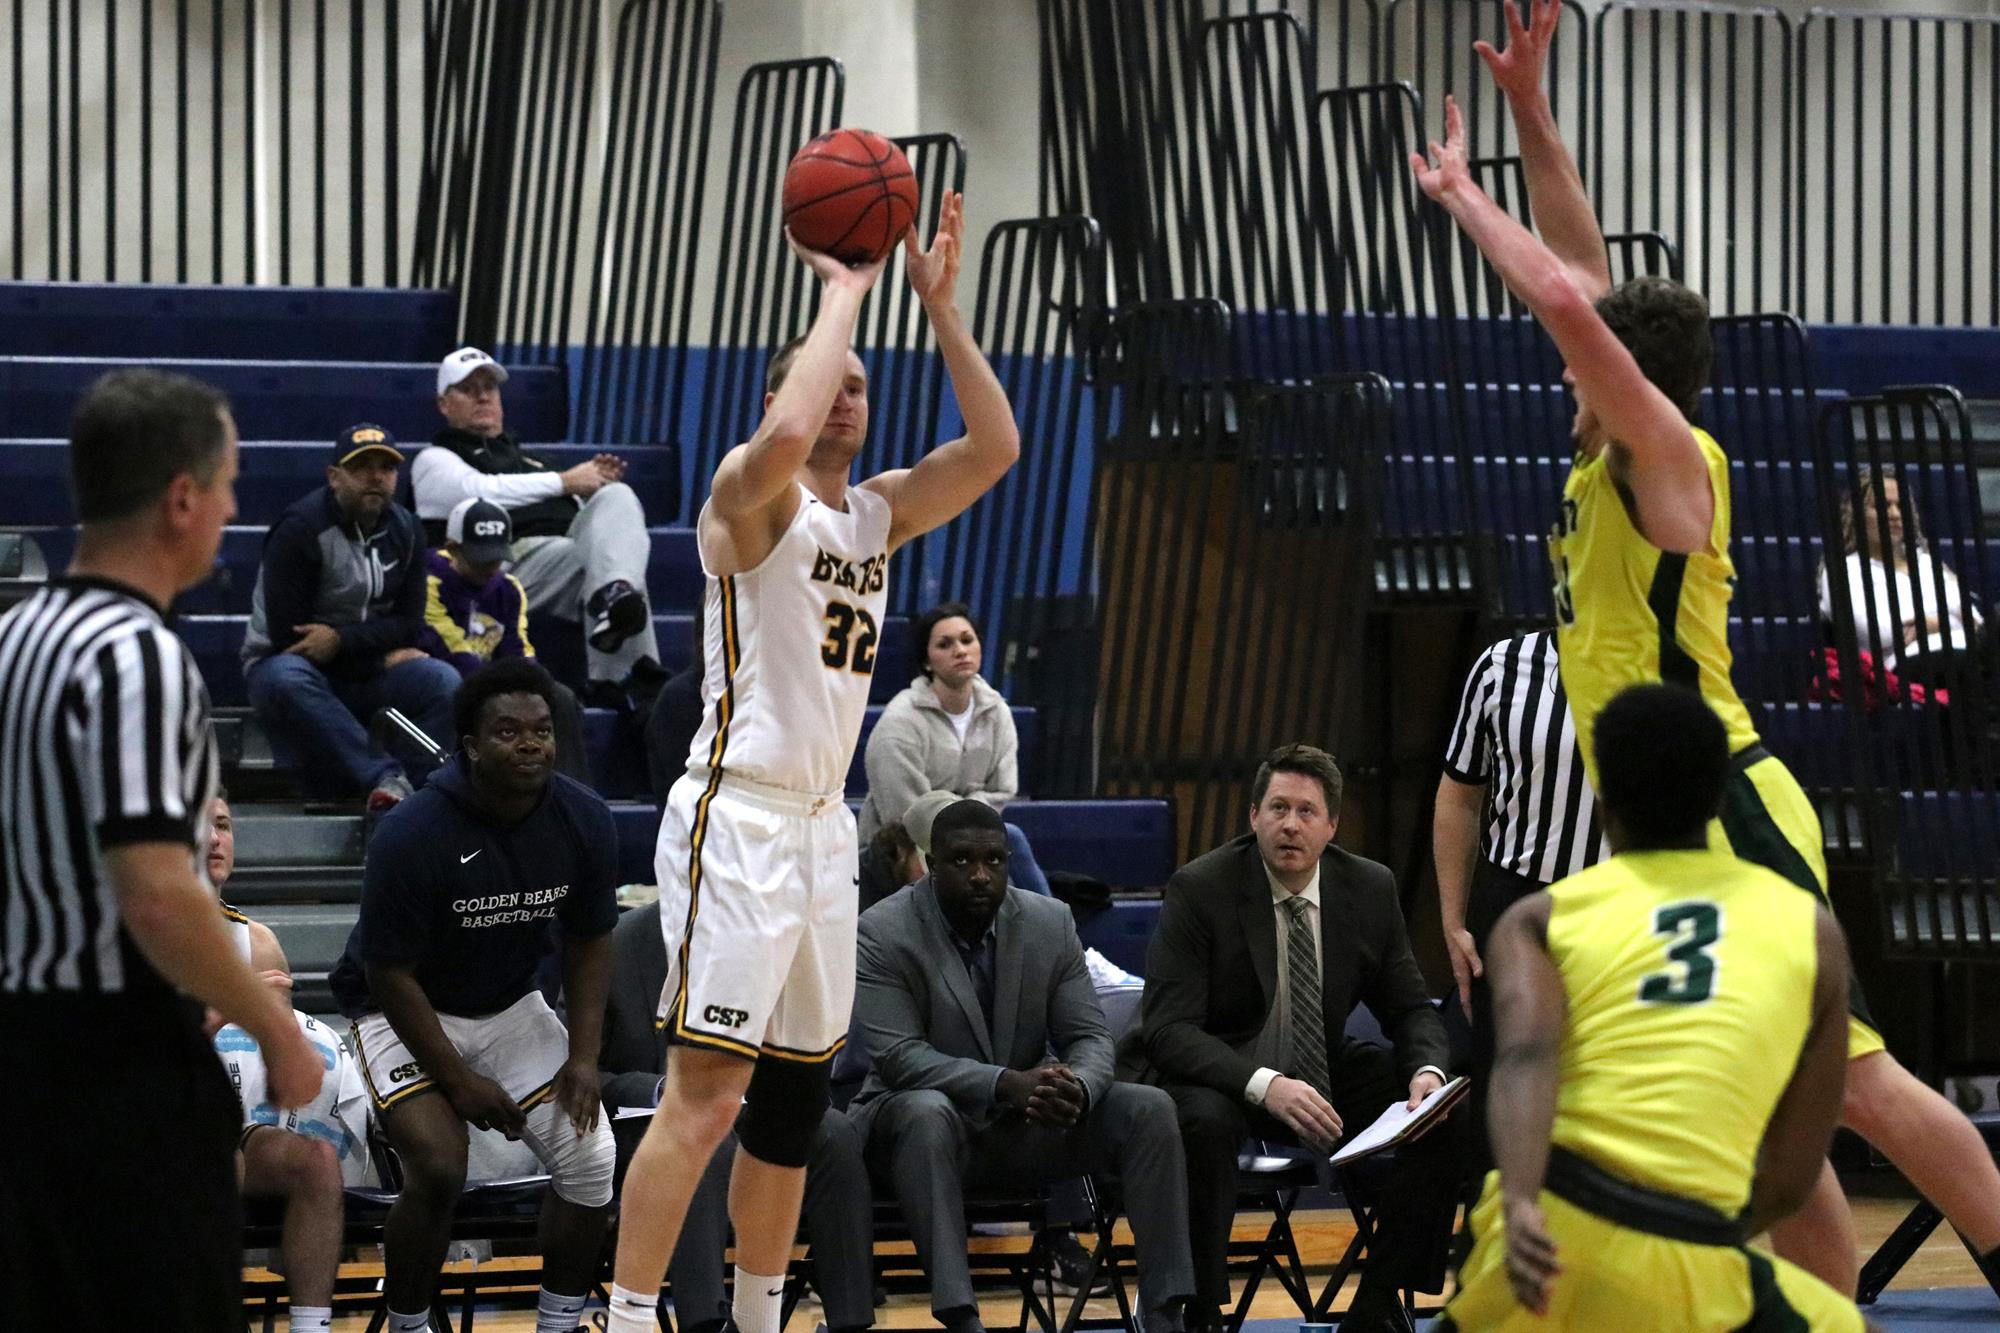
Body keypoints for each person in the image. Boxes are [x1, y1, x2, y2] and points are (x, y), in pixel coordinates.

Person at [1414, 0, 2000, 1294]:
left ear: (1622, 372)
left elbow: (1568, 292)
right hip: (1660, 812)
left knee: (1858, 1083)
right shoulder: (1608, 448)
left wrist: (1465, 200)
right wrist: (1528, 112)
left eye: (1592, 356)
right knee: (1788, 1093)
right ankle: (1818, 1313)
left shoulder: (1671, 464)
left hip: (1730, 793)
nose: (1570, 358)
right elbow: (1583, 265)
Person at [608, 191, 1021, 1333]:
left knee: (791, 1103)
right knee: (703, 1097)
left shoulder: (877, 516)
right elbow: (786, 438)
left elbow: (995, 447)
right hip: (733, 817)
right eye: (828, 375)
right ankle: (630, 1315)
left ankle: (752, 1314)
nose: (849, 391)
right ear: (778, 398)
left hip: (822, 832)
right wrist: (842, 286)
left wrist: (939, 312)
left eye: (858, 382)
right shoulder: (746, 499)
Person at [0, 368, 323, 1330]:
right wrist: (275, 1033)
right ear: (182, 497)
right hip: (119, 1067)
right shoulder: (136, 652)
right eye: (227, 483)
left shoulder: (16, 637)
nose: (231, 509)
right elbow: (154, 889)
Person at [1438, 684, 1869, 1331]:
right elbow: (1792, 1173)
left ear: (1604, 803)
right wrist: (1684, 1236)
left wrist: (1524, 1199)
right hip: (1695, 1248)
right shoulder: (1813, 931)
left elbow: (1526, 1055)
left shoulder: (1539, 918)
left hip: (1546, 1232)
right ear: (1719, 797)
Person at [1126, 743, 1462, 1333]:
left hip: (1319, 1066)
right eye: (1277, 808)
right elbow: (1167, 1028)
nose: (1290, 824)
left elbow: (1411, 1008)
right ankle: (1201, 1309)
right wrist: (1266, 1085)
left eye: (1307, 812)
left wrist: (1426, 1075)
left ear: (1332, 826)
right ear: (1252, 816)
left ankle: (1380, 1300)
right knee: (1201, 1121)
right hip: (1225, 1073)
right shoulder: (1200, 888)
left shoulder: (1368, 888)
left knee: (1441, 1114)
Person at [328, 659, 619, 1333]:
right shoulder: (413, 831)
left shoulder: (583, 817)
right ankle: (407, 1322)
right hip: (401, 1007)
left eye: (542, 730)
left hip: (511, 1005)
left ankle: (559, 1321)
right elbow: (388, 972)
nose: (530, 744)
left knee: (592, 1156)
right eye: (509, 730)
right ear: (469, 744)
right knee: (437, 1163)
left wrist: (583, 1056)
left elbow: (590, 940)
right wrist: (458, 1080)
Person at [850, 800, 1195, 1333]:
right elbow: (899, 1058)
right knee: (925, 1112)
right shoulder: (882, 930)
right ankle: (960, 1314)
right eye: (961, 861)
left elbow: (1088, 1035)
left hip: (1024, 1123)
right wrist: (1005, 1083)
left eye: (994, 860)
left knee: (1148, 1107)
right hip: (918, 1132)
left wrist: (1077, 1085)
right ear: (931, 863)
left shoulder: (1049, 920)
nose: (981, 875)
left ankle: (1166, 1311)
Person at [598, 901, 876, 1333]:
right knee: (702, 1134)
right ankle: (705, 1322)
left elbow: (801, 1041)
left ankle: (851, 1322)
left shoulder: (769, 937)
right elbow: (582, 1073)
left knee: (834, 1134)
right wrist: (657, 1089)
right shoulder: (618, 944)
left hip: (753, 1106)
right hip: (651, 1126)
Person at [1434, 629, 1604, 1168]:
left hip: (1614, 906)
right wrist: (1451, 920)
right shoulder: (1500, 666)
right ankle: (1499, 1236)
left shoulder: (1662, 661)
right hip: (1511, 898)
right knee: (1503, 1080)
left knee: (1603, 1089)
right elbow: (1460, 794)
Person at [205, 790, 365, 1333]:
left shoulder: (259, 943)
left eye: (224, 826)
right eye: (198, 826)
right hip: (143, 1125)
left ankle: (311, 1326)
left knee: (316, 1161)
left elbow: (271, 1069)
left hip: (231, 1124)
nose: (213, 840)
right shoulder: (136, 930)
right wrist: (222, 1010)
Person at [413, 347, 660, 694]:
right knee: (601, 561)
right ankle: (634, 680)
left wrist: (593, 489)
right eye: (468, 389)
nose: (483, 395)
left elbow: (590, 515)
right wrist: (566, 482)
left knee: (617, 506)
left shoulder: (533, 461)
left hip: (560, 559)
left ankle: (615, 601)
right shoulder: (435, 459)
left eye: (490, 387)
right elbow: (476, 491)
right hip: (494, 566)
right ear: (444, 403)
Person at [241, 423, 461, 812]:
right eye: (362, 468)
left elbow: (411, 625)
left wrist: (342, 642)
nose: (376, 477)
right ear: (334, 477)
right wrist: (378, 652)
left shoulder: (408, 528)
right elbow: (287, 638)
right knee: (287, 674)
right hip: (289, 672)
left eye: (387, 468)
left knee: (442, 680)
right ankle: (383, 778)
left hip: (359, 669)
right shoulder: (301, 529)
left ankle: (420, 799)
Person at [419, 496, 591, 784]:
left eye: (496, 558)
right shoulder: (429, 580)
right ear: (453, 549)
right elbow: (450, 647)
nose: (490, 567)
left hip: (493, 679)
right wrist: (503, 688)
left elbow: (518, 648)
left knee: (558, 696)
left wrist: (534, 686)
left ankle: (568, 789)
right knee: (456, 688)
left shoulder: (509, 589)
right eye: (480, 558)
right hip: (449, 676)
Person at [857, 601, 1019, 840]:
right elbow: (905, 812)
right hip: (900, 849)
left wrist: (964, 820)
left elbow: (1002, 790)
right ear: (926, 662)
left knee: (1010, 840)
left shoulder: (997, 712)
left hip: (968, 839)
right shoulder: (901, 721)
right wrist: (965, 820)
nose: (960, 651)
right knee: (1009, 839)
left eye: (967, 640)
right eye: (944, 645)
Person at [1819, 467, 1987, 688]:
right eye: (1883, 506)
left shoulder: (1927, 563)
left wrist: (1932, 623)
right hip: (1908, 664)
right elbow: (1881, 631)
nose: (1895, 514)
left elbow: (1977, 622)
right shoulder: (1845, 570)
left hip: (1969, 653)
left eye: (1900, 506)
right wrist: (1951, 618)